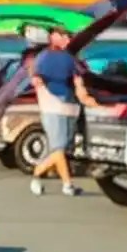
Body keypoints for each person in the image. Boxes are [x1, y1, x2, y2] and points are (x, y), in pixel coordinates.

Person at [30, 26, 101, 196]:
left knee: (63, 148)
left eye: (69, 37)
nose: (68, 40)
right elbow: (35, 76)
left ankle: (38, 173)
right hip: (52, 105)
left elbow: (78, 83)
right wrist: (37, 81)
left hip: (69, 106)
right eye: (64, 36)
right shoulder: (43, 57)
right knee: (59, 147)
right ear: (53, 36)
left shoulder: (69, 59)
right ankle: (67, 184)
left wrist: (87, 100)